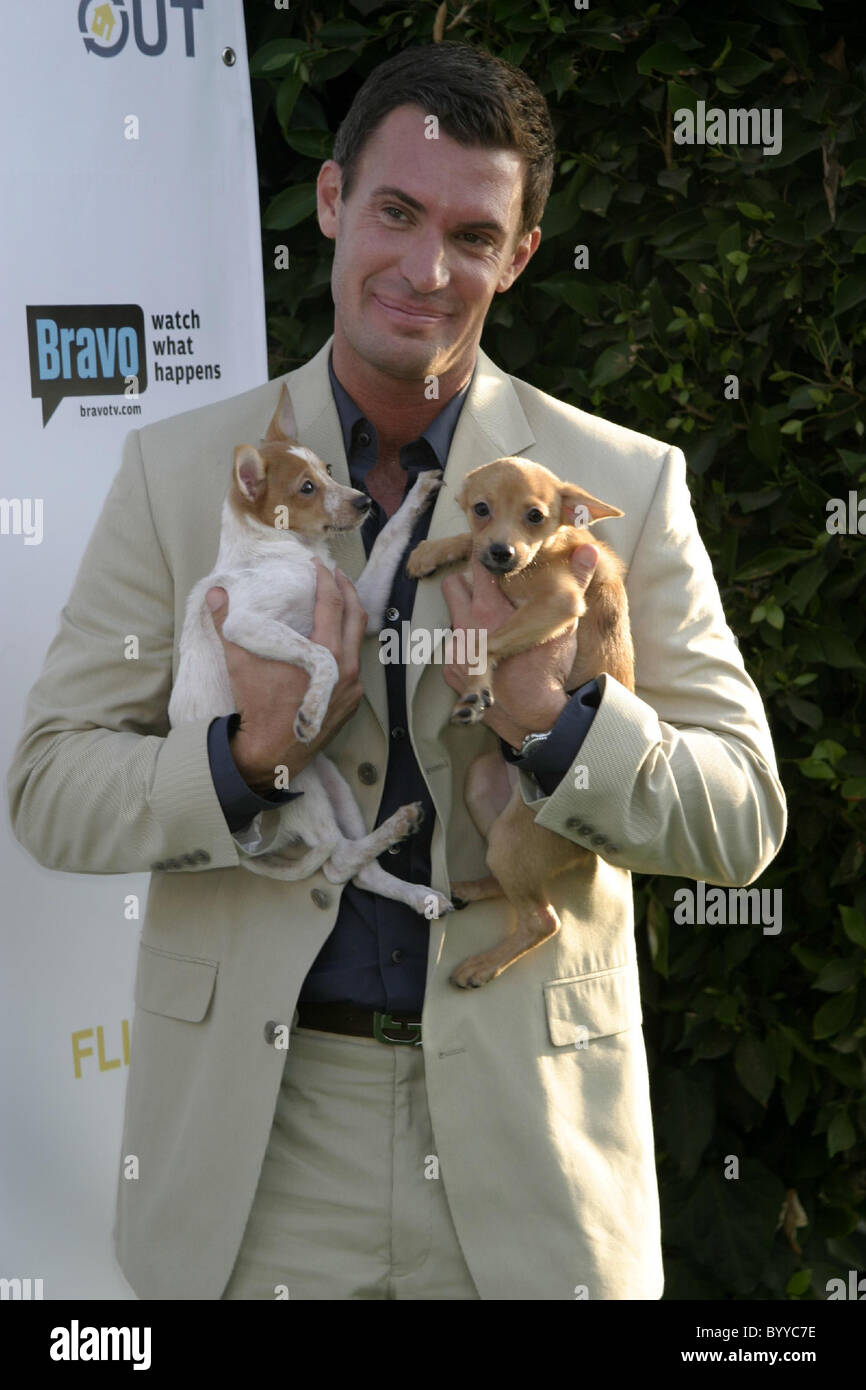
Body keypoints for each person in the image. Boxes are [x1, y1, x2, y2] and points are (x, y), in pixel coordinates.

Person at [6, 42, 786, 1301]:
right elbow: (49, 785)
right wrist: (245, 759)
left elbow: (741, 813)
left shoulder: (622, 486)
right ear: (329, 201)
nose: (426, 270)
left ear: (518, 256)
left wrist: (551, 723)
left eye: (472, 235)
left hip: (531, 1165)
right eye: (395, 212)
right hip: (258, 1163)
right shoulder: (179, 471)